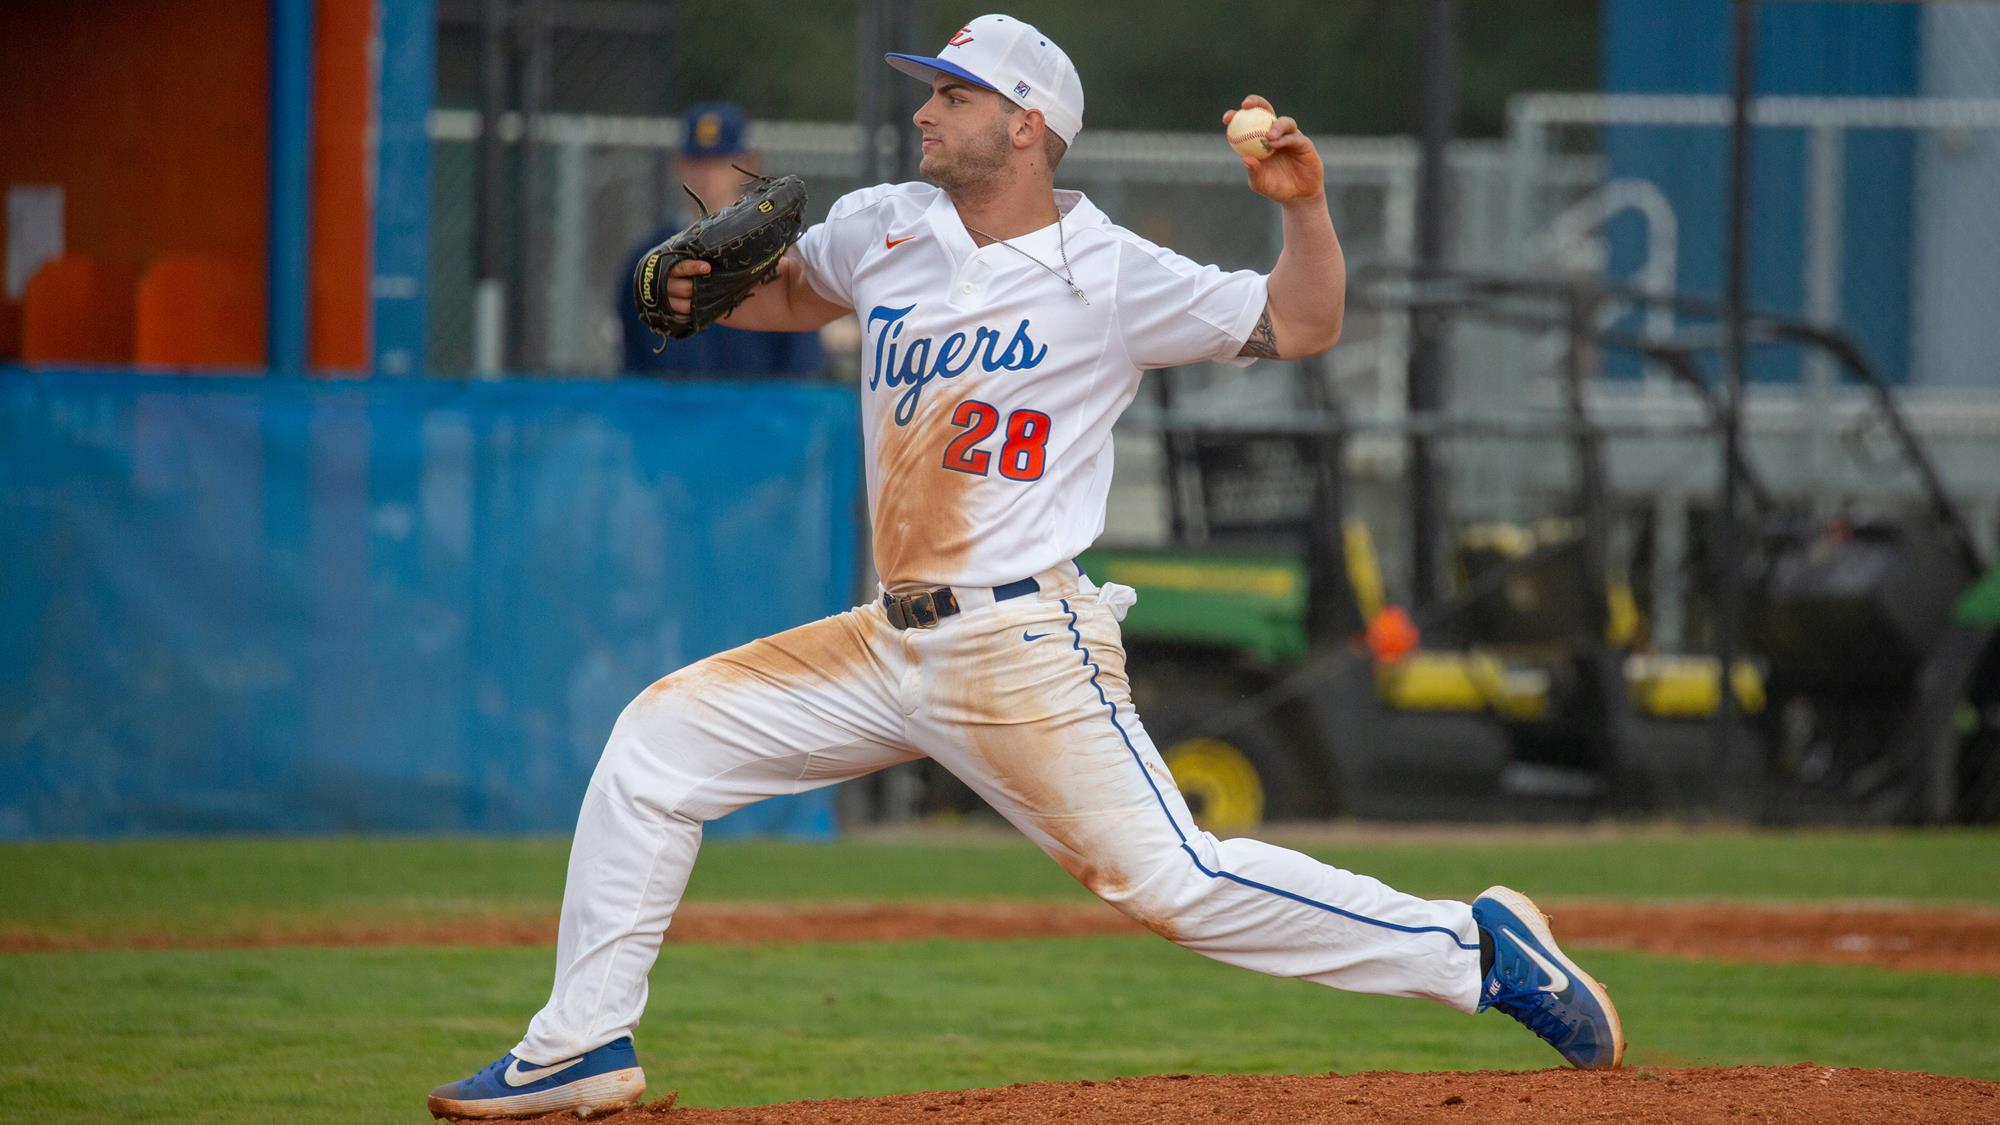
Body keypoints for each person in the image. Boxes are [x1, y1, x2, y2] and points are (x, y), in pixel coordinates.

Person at [429, 14, 1623, 1119]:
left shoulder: (1108, 273)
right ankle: (579, 1044)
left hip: (1018, 645)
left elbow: (1299, 325)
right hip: (885, 636)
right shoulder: (882, 223)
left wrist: (1300, 211)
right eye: (927, 93)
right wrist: (707, 296)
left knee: (1174, 887)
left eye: (952, 94)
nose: (924, 113)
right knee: (657, 744)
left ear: (1026, 124)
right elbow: (794, 294)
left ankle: (1474, 953)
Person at [616, 101, 825, 378]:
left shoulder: (780, 256)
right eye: (697, 162)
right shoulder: (649, 259)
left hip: (759, 417)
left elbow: (800, 365)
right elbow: (634, 361)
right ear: (680, 164)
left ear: (748, 164)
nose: (706, 175)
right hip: (670, 417)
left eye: (719, 162)